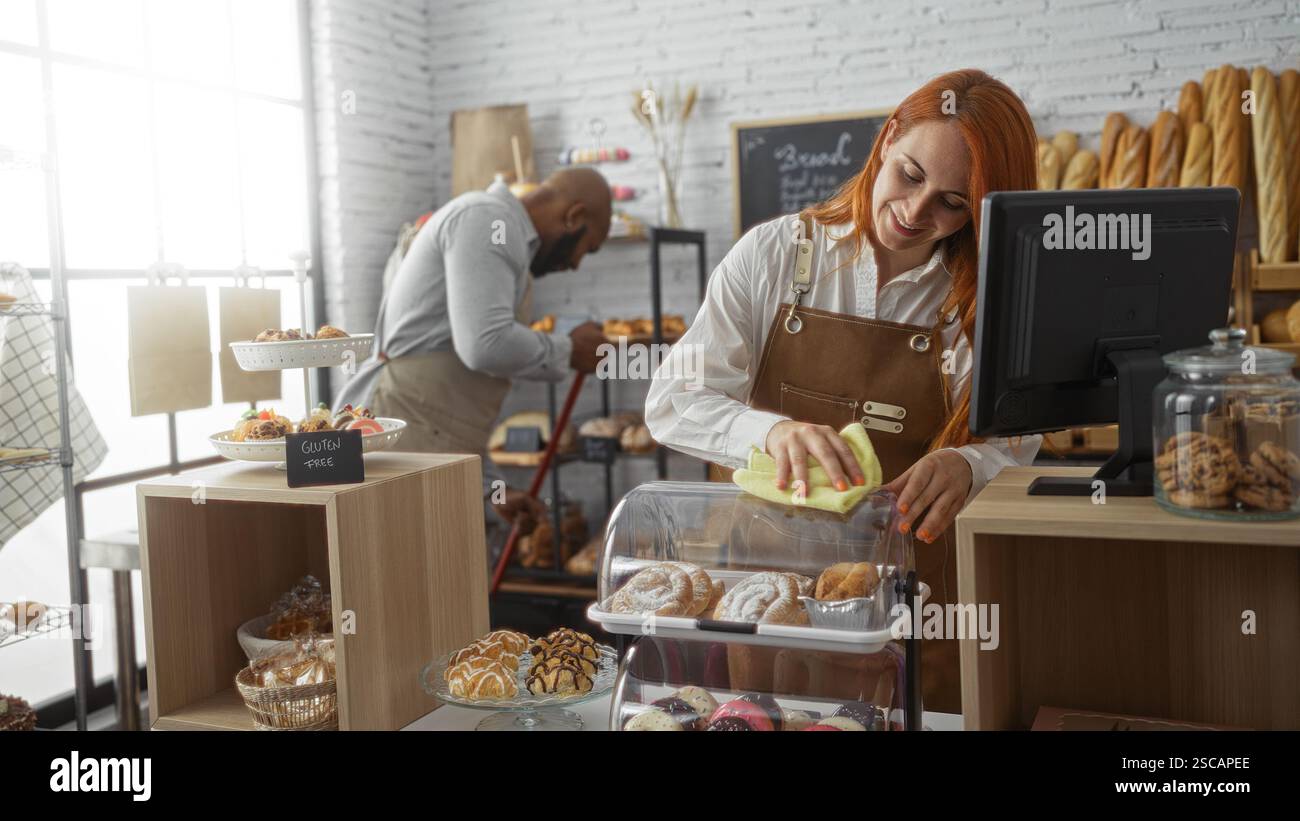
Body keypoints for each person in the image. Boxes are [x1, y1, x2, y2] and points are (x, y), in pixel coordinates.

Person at [644, 69, 1043, 712]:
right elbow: (672, 402)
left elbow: (1019, 440)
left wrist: (971, 463)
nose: (916, 214)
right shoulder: (773, 256)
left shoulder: (983, 300)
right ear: (888, 140)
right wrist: (770, 430)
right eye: (911, 176)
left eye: (953, 202)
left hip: (908, 605)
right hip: (769, 599)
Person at [337, 168, 612, 535]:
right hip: (396, 433)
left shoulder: (501, 233)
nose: (576, 264)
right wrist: (568, 349)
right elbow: (484, 345)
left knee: (450, 582)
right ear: (574, 215)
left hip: (420, 436)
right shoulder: (486, 219)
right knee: (410, 583)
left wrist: (494, 491)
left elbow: (452, 421)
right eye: (587, 247)